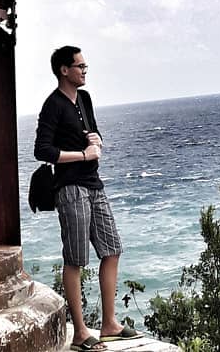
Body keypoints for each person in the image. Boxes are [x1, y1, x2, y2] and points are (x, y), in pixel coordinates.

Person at [34, 46, 140, 349]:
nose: (84, 71)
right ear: (63, 70)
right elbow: (42, 150)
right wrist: (82, 154)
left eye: (85, 66)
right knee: (76, 259)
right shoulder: (52, 105)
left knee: (112, 249)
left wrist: (98, 141)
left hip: (94, 184)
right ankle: (80, 333)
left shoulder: (85, 98)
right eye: (79, 66)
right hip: (70, 189)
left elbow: (93, 133)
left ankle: (109, 324)